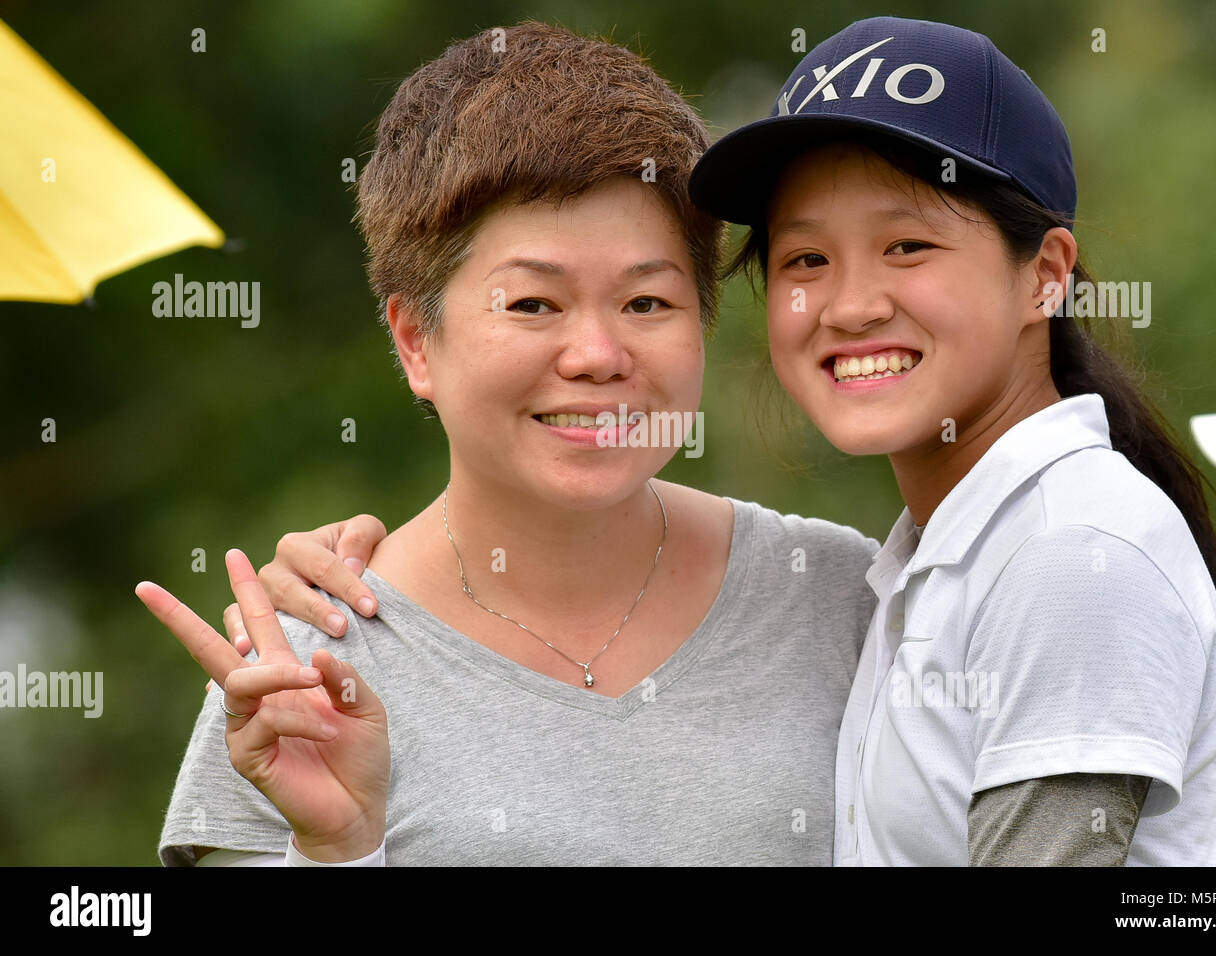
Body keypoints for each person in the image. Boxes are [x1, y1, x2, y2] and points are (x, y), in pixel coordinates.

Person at [261, 17, 1216, 866]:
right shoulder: (915, 567)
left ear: (1045, 272)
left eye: (907, 243)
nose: (851, 303)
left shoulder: (1071, 550)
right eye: (805, 258)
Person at [138, 21, 877, 867]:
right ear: (416, 342)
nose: (598, 357)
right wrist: (338, 850)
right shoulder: (298, 673)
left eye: (646, 304)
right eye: (532, 305)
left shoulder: (841, 601)